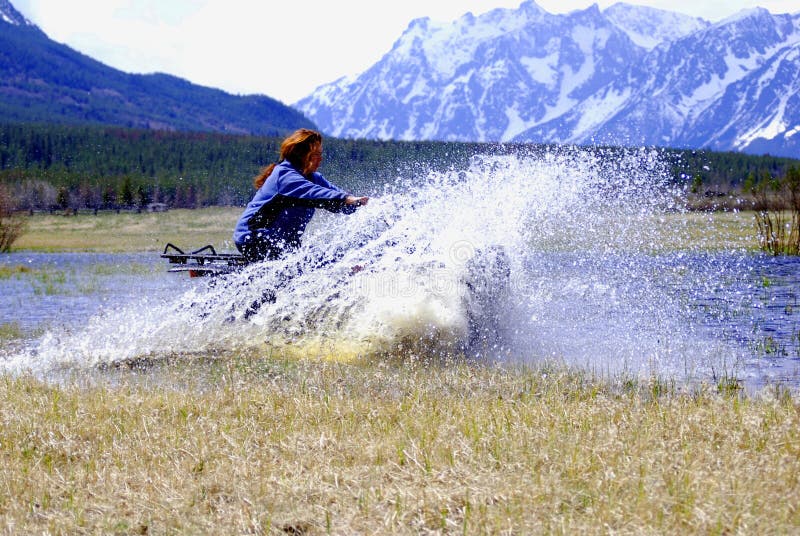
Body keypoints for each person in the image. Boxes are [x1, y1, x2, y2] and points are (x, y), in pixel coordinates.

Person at [233, 129, 369, 262]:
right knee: (318, 264)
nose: (320, 159)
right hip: (253, 239)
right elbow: (315, 193)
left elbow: (341, 199)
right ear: (302, 155)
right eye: (316, 154)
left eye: (321, 154)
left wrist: (363, 204)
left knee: (328, 259)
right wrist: (346, 199)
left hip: (283, 243)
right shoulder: (284, 175)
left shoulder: (314, 178)